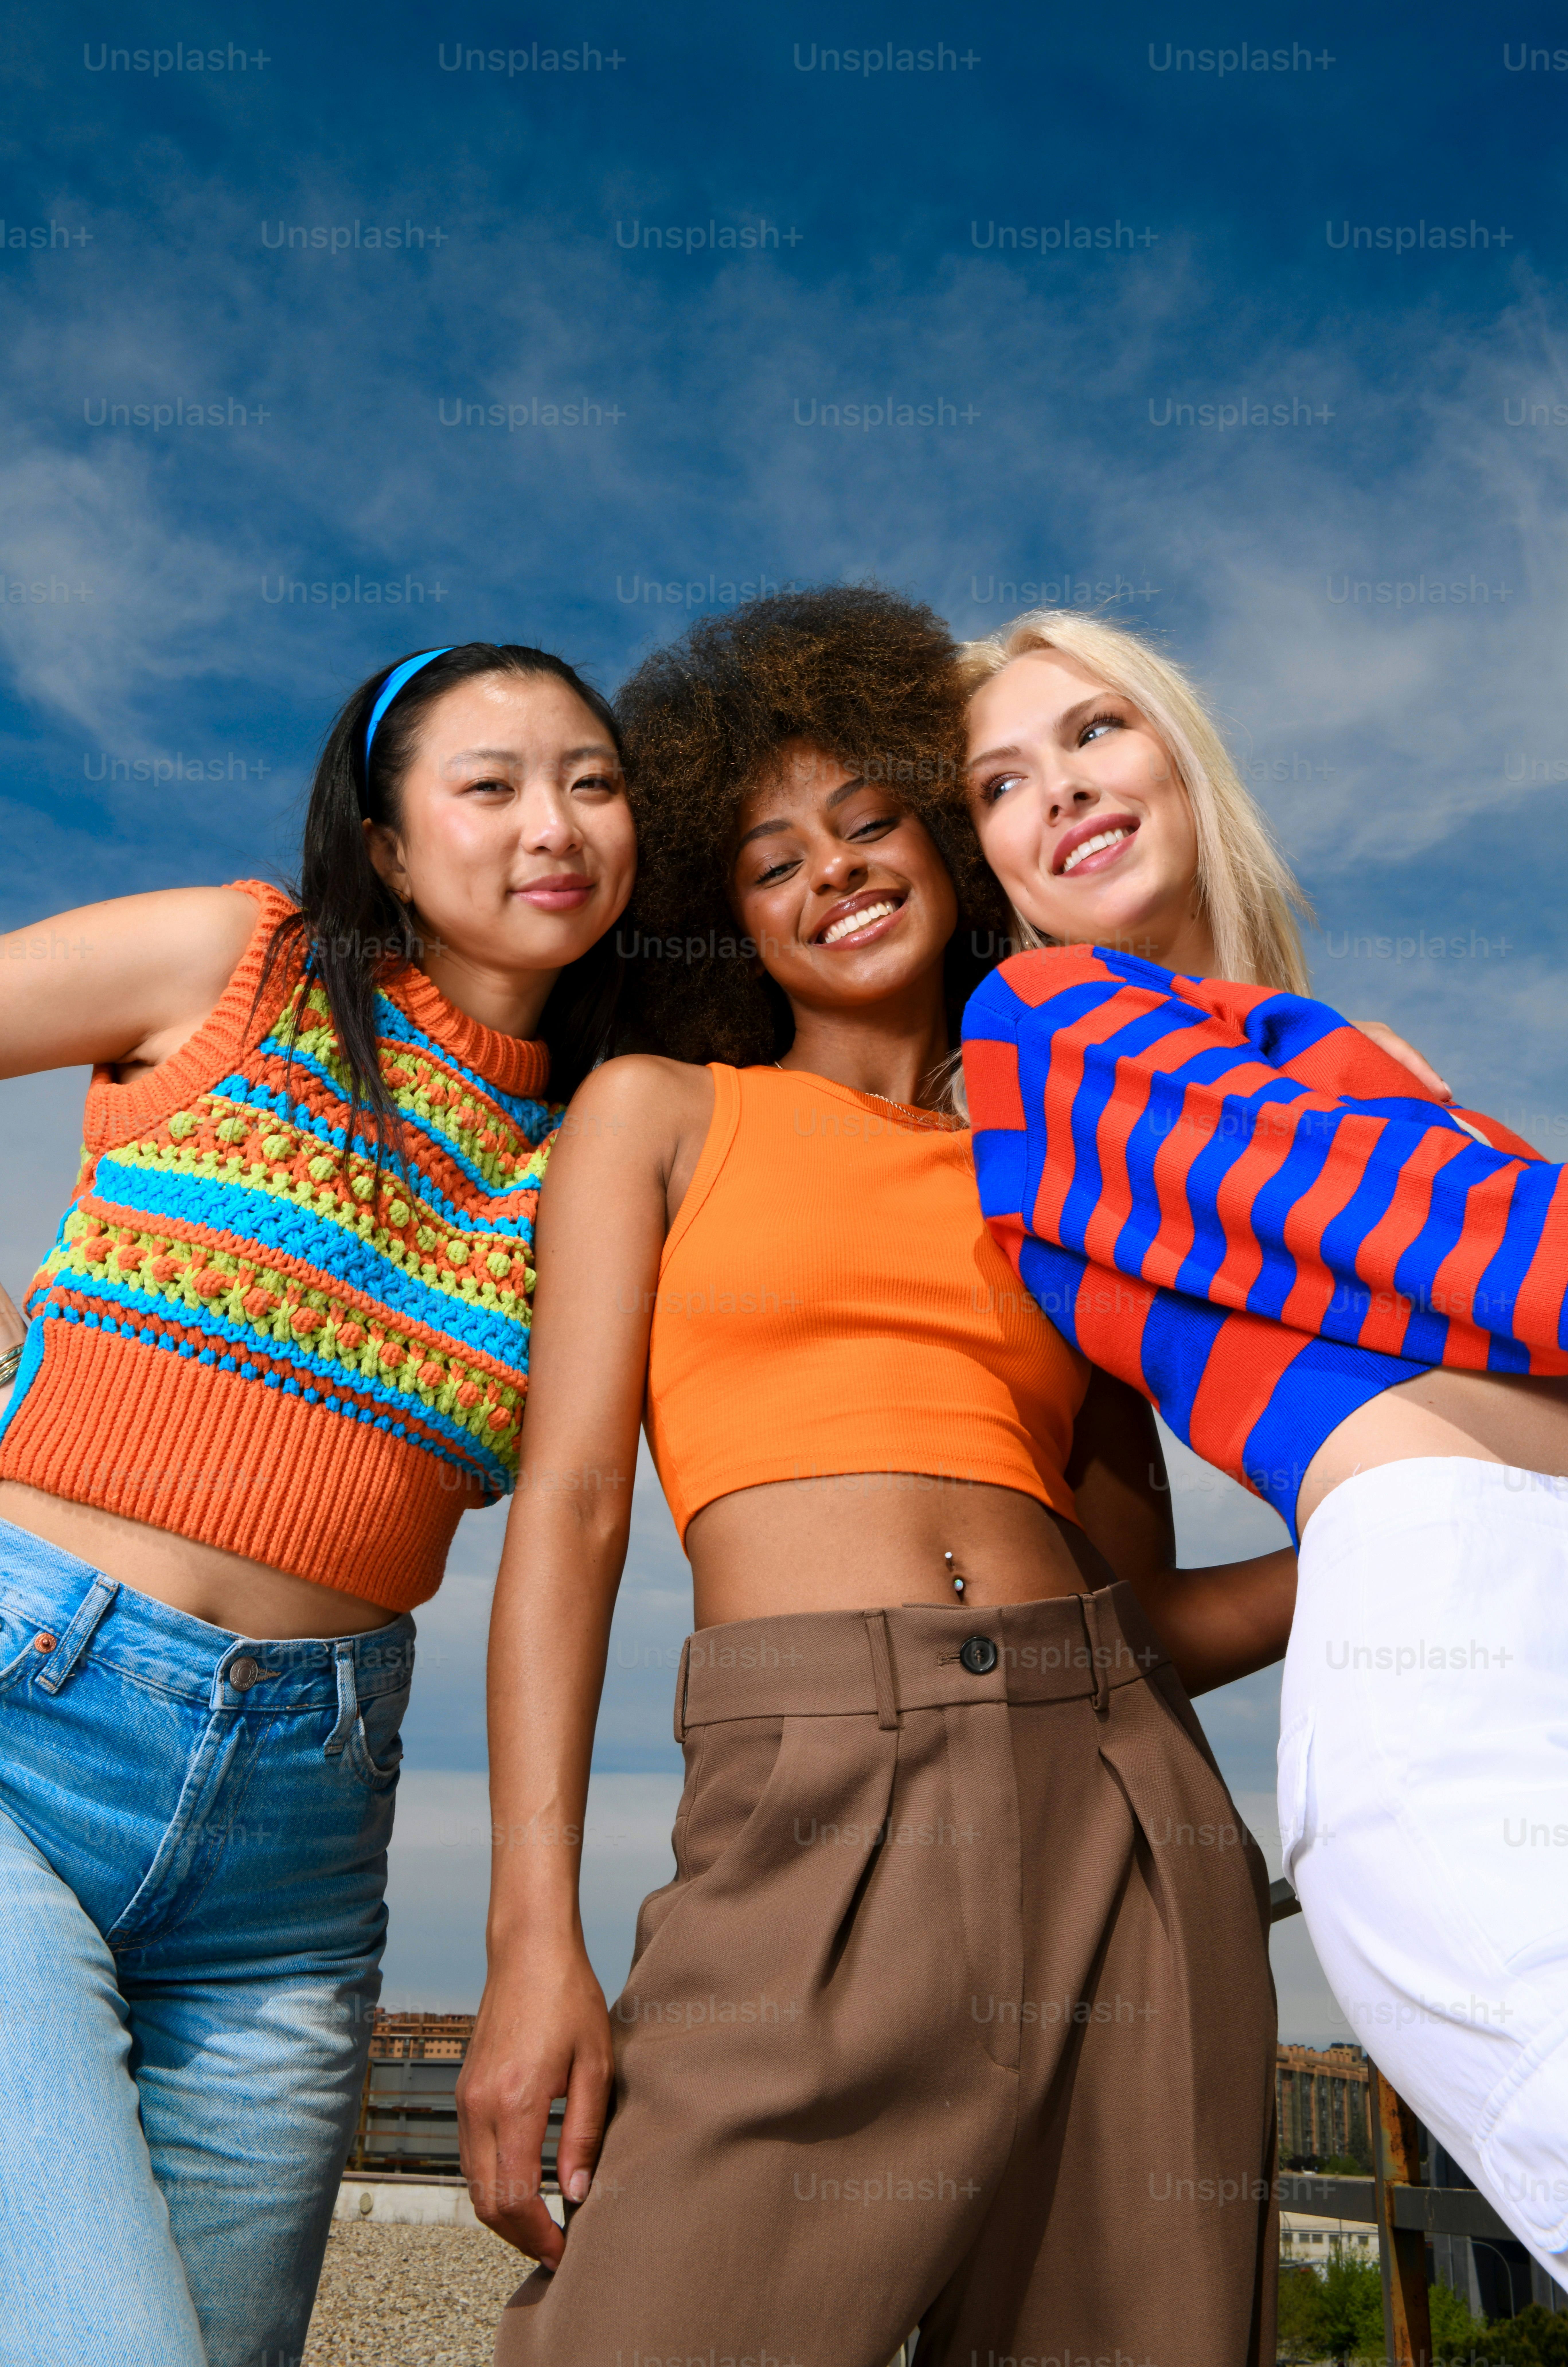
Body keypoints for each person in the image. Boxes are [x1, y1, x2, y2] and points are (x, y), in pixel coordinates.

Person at [458, 588, 1290, 2367]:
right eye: (768, 861)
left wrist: (1418, 1541)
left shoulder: (1061, 1166)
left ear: (947, 842)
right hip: (812, 1785)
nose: (829, 874)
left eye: (867, 821)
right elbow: (577, 1512)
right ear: (721, 916)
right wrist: (536, 1932)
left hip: (1125, 1797)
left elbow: (1152, 1615)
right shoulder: (666, 1115)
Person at [0, 642, 635, 2367]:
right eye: (488, 785)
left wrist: (535, 1939)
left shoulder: (609, 1147)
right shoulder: (241, 958)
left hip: (302, 1844)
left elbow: (579, 1524)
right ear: (384, 837)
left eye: (593, 779)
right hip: (23, 1716)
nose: (553, 822)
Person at [956, 606, 1568, 2297]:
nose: (1061, 790)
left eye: (1094, 732)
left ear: (1180, 749)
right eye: (1002, 784)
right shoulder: (1045, 1027)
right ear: (993, 864)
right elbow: (1456, 1245)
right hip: (1467, 1691)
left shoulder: (1321, 1041)